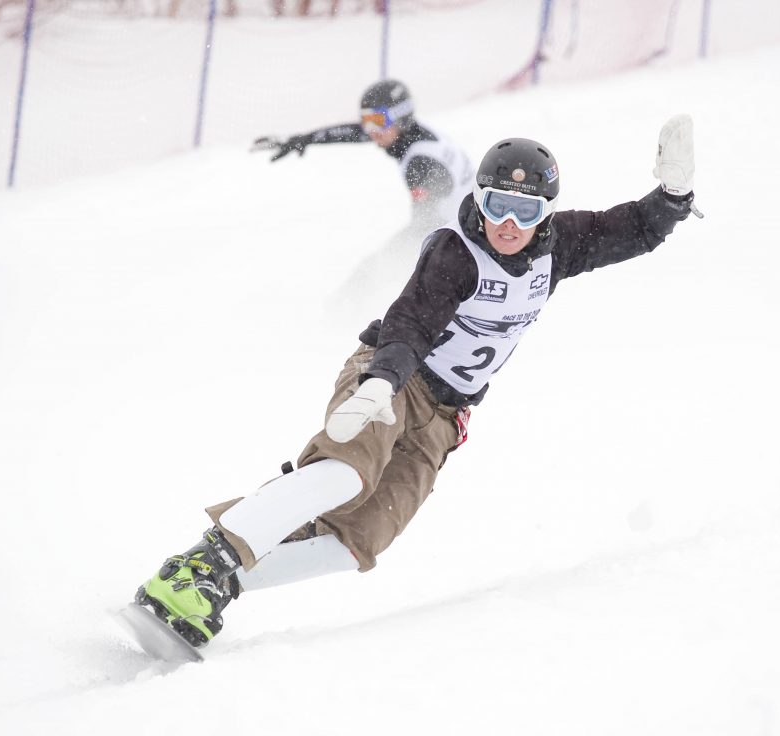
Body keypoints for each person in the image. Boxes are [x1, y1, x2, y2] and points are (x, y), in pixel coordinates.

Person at [134, 116, 699, 651]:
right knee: (345, 474)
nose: (508, 224)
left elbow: (634, 231)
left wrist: (672, 198)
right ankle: (200, 567)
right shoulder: (457, 252)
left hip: (445, 418)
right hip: (395, 377)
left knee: (357, 541)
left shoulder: (561, 247)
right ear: (478, 198)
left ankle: (218, 588)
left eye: (525, 213)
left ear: (546, 214)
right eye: (497, 205)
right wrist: (382, 382)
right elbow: (411, 321)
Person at [253, 78, 475, 231]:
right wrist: (304, 139)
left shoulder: (420, 164)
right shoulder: (409, 134)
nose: (370, 130)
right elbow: (352, 133)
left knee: (370, 275)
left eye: (377, 121)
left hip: (462, 234)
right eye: (366, 120)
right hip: (464, 221)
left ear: (400, 116)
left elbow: (425, 226)